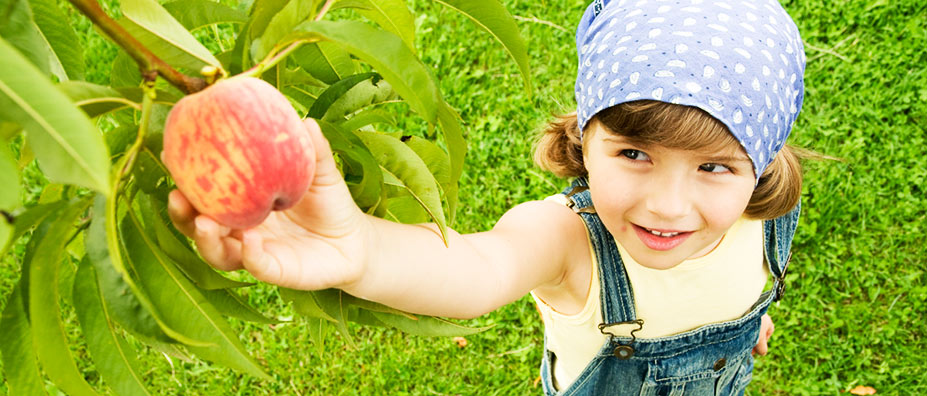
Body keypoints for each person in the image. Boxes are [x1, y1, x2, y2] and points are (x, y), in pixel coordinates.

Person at [168, 0, 808, 394]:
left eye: (714, 169)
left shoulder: (761, 213)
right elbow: (476, 269)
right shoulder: (567, 241)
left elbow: (740, 273)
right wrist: (361, 251)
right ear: (585, 141)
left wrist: (743, 320)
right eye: (634, 154)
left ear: (763, 162)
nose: (669, 206)